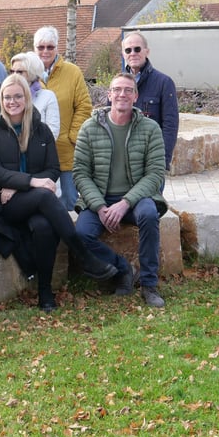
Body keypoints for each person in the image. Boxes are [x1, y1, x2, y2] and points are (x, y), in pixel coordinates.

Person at [0, 74, 118, 312]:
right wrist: (30, 181)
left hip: (32, 201)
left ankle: (45, 292)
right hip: (2, 201)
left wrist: (22, 184)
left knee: (43, 227)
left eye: (18, 96)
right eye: (7, 97)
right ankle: (83, 255)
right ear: (1, 99)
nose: (12, 102)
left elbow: (53, 169)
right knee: (44, 195)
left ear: (27, 98)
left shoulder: (40, 129)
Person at [73, 73, 168, 308]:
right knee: (81, 234)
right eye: (117, 89)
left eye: (128, 90)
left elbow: (155, 173)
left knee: (149, 215)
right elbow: (80, 173)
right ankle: (123, 270)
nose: (122, 94)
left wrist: (125, 202)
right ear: (109, 95)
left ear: (136, 96)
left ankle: (149, 284)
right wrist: (99, 206)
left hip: (136, 198)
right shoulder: (89, 128)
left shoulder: (150, 128)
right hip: (100, 198)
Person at [35, 26, 92, 211]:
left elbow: (84, 106)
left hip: (66, 152)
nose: (45, 51)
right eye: (41, 47)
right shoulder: (26, 73)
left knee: (69, 202)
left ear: (57, 47)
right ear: (34, 48)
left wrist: (72, 137)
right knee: (41, 205)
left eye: (50, 47)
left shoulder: (72, 72)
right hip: (36, 155)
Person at [122, 30, 179, 171]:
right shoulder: (118, 84)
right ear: (123, 54)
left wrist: (162, 162)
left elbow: (170, 126)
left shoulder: (164, 83)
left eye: (137, 49)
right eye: (128, 50)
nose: (133, 53)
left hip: (151, 161)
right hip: (123, 162)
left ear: (147, 51)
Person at [10, 51, 59, 138]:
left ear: (32, 73)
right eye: (12, 71)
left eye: (19, 72)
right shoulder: (7, 97)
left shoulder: (47, 96)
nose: (14, 75)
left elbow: (52, 132)